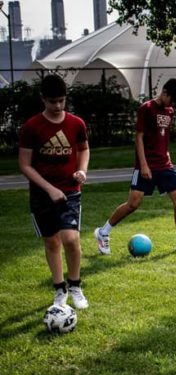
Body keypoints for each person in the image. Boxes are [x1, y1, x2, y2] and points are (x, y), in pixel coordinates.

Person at [94, 78, 176, 255]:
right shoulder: (147, 108)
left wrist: (167, 156)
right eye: (172, 99)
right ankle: (103, 232)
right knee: (133, 204)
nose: (172, 104)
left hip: (165, 165)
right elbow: (139, 137)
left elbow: (163, 137)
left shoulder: (169, 110)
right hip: (146, 165)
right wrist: (143, 165)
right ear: (164, 92)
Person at [19, 74, 90, 309]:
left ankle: (75, 286)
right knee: (51, 242)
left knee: (70, 238)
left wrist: (82, 170)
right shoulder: (31, 127)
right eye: (53, 101)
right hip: (42, 195)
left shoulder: (76, 123)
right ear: (43, 99)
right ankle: (60, 290)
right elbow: (25, 165)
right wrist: (49, 189)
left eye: (61, 100)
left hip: (70, 190)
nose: (58, 106)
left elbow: (84, 149)